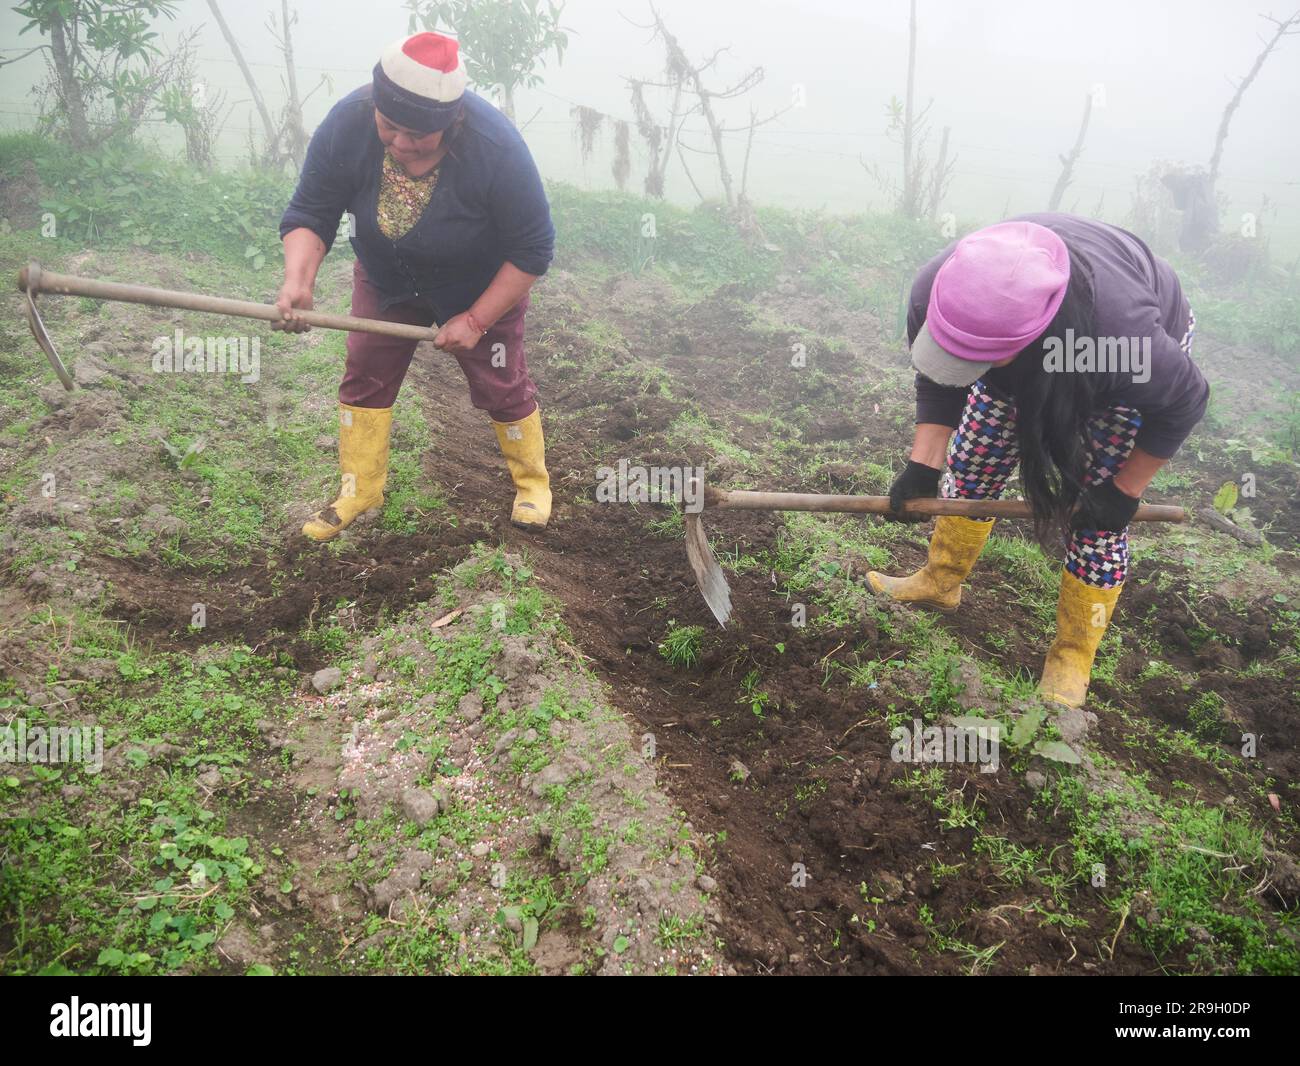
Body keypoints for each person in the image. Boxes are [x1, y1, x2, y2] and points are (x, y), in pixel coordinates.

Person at [868, 214, 1208, 708]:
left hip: (1098, 360)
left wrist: (1123, 492)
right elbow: (941, 375)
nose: (966, 366)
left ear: (1025, 340)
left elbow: (1186, 401)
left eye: (978, 357)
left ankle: (1073, 654)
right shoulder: (939, 288)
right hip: (1034, 347)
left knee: (1096, 518)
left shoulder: (1121, 344)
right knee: (973, 465)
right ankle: (940, 582)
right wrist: (925, 462)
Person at [276, 31, 556, 540]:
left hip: (478, 285)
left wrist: (475, 319)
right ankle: (359, 488)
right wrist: (298, 279)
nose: (401, 143)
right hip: (387, 280)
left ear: (452, 123)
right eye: (389, 127)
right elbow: (312, 212)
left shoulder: (496, 148)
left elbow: (533, 249)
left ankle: (532, 485)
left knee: (501, 381)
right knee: (366, 371)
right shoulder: (348, 123)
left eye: (418, 136)